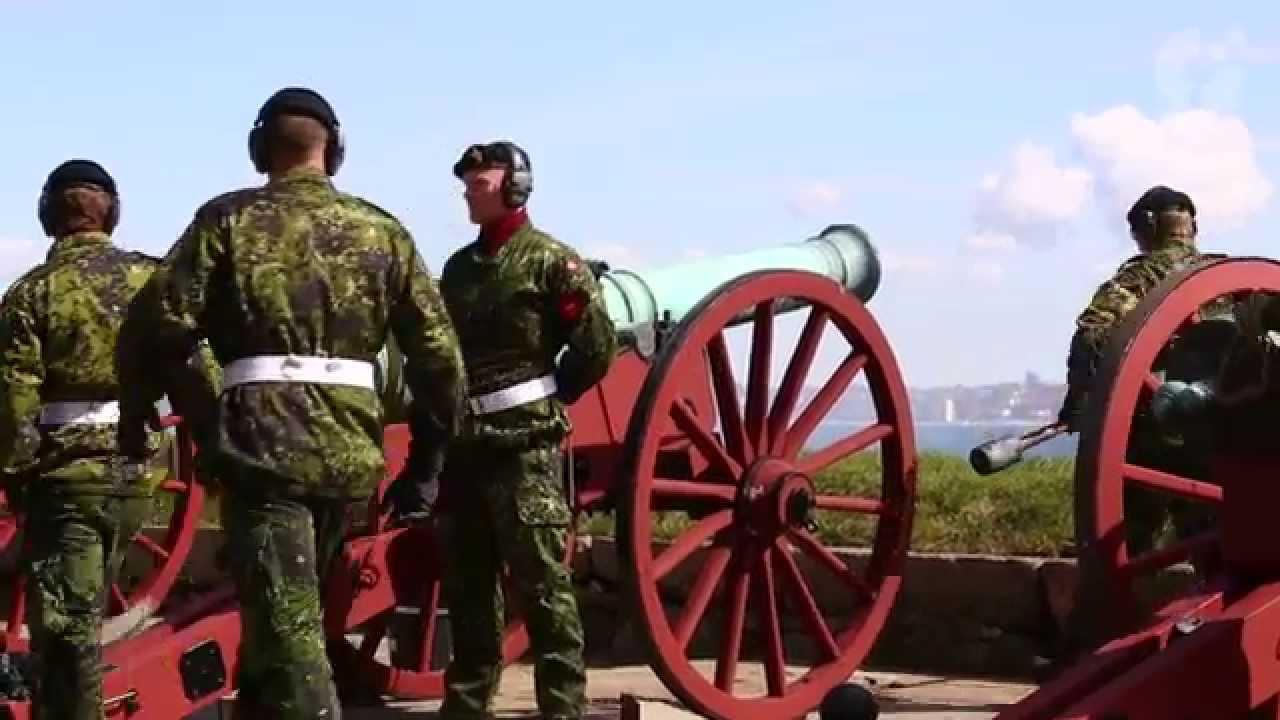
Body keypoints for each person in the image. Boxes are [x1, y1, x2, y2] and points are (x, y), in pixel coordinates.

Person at [114, 86, 467, 718]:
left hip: (262, 456)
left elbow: (156, 324)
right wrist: (427, 465)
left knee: (291, 634)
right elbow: (440, 362)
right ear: (335, 152)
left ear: (258, 150)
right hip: (350, 462)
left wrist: (203, 411)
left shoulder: (227, 221)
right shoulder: (385, 233)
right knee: (281, 627)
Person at [435, 141, 617, 720]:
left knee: (543, 587)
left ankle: (562, 708)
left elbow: (595, 346)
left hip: (524, 450)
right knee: (467, 589)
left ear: (514, 186)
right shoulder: (459, 270)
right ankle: (466, 705)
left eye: (479, 180)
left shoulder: (552, 263)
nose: (468, 189)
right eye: (466, 181)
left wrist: (550, 395)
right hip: (467, 450)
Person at [0, 159, 169, 719]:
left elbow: (14, 405)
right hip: (133, 479)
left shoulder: (31, 294)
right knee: (84, 613)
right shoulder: (152, 281)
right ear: (112, 214)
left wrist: (20, 483)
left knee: (67, 634)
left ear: (48, 216)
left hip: (65, 482)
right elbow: (195, 368)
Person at [1057, 185, 1212, 555]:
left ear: (1148, 226)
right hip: (1219, 432)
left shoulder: (1140, 279)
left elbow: (1093, 338)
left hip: (1155, 430)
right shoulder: (1223, 278)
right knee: (1209, 542)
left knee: (1126, 542)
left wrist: (1080, 404)